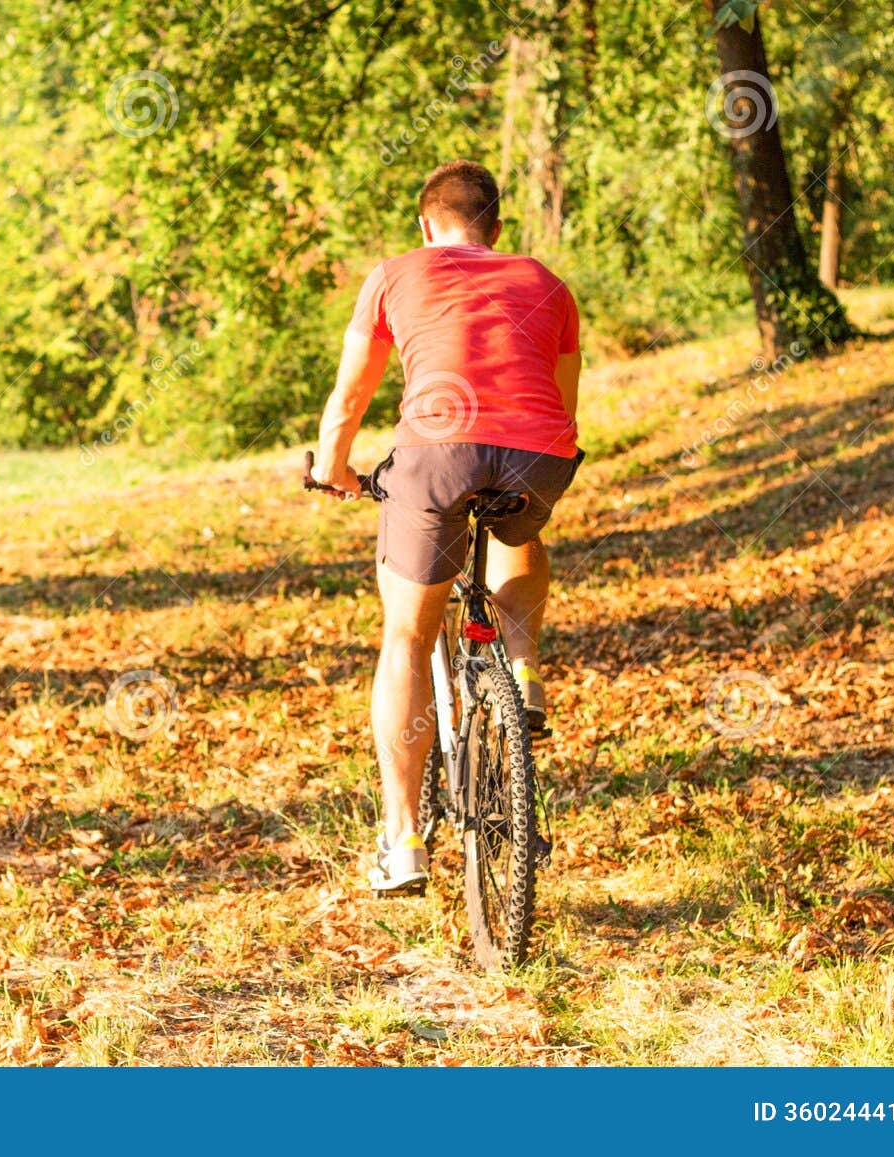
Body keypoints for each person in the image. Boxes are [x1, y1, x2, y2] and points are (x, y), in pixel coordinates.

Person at [309, 159, 584, 895]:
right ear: (497, 229)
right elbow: (563, 404)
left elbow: (349, 397)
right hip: (538, 456)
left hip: (437, 452)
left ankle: (402, 842)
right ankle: (522, 671)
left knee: (406, 634)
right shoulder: (547, 284)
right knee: (519, 535)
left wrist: (333, 469)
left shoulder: (396, 274)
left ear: (428, 226)